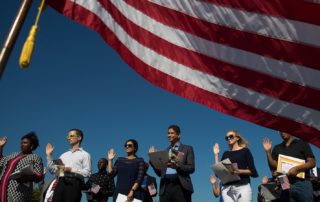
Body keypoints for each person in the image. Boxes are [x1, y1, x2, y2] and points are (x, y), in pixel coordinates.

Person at [262, 131, 316, 202]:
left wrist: (297, 169)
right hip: (284, 181)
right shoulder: (277, 148)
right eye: (280, 131)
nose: (282, 133)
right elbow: (273, 166)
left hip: (302, 182)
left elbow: (312, 162)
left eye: (284, 130)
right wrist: (268, 152)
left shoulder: (302, 143)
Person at [149, 124, 195, 202]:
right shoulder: (165, 151)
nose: (169, 135)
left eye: (172, 133)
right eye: (168, 133)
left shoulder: (187, 149)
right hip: (165, 187)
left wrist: (177, 166)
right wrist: (153, 159)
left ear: (179, 135)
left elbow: (191, 168)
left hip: (181, 186)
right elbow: (160, 174)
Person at [46, 128, 91, 202]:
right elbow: (53, 170)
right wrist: (49, 156)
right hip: (61, 182)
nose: (68, 138)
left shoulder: (85, 155)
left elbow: (87, 173)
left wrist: (71, 170)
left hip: (74, 184)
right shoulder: (63, 155)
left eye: (71, 136)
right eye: (68, 136)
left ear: (79, 138)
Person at [0, 132, 44, 202]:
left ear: (31, 146)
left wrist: (25, 178)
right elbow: (1, 162)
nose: (22, 145)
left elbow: (39, 175)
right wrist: (1, 147)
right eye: (21, 143)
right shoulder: (13, 155)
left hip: (18, 193)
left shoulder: (35, 157)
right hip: (2, 189)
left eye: (25, 143)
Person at [220, 130, 258, 202]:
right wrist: (216, 155)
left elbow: (253, 171)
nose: (228, 138)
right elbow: (219, 171)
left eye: (231, 136)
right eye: (226, 137)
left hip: (242, 187)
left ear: (237, 138)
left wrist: (239, 171)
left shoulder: (245, 151)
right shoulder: (225, 153)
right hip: (227, 189)